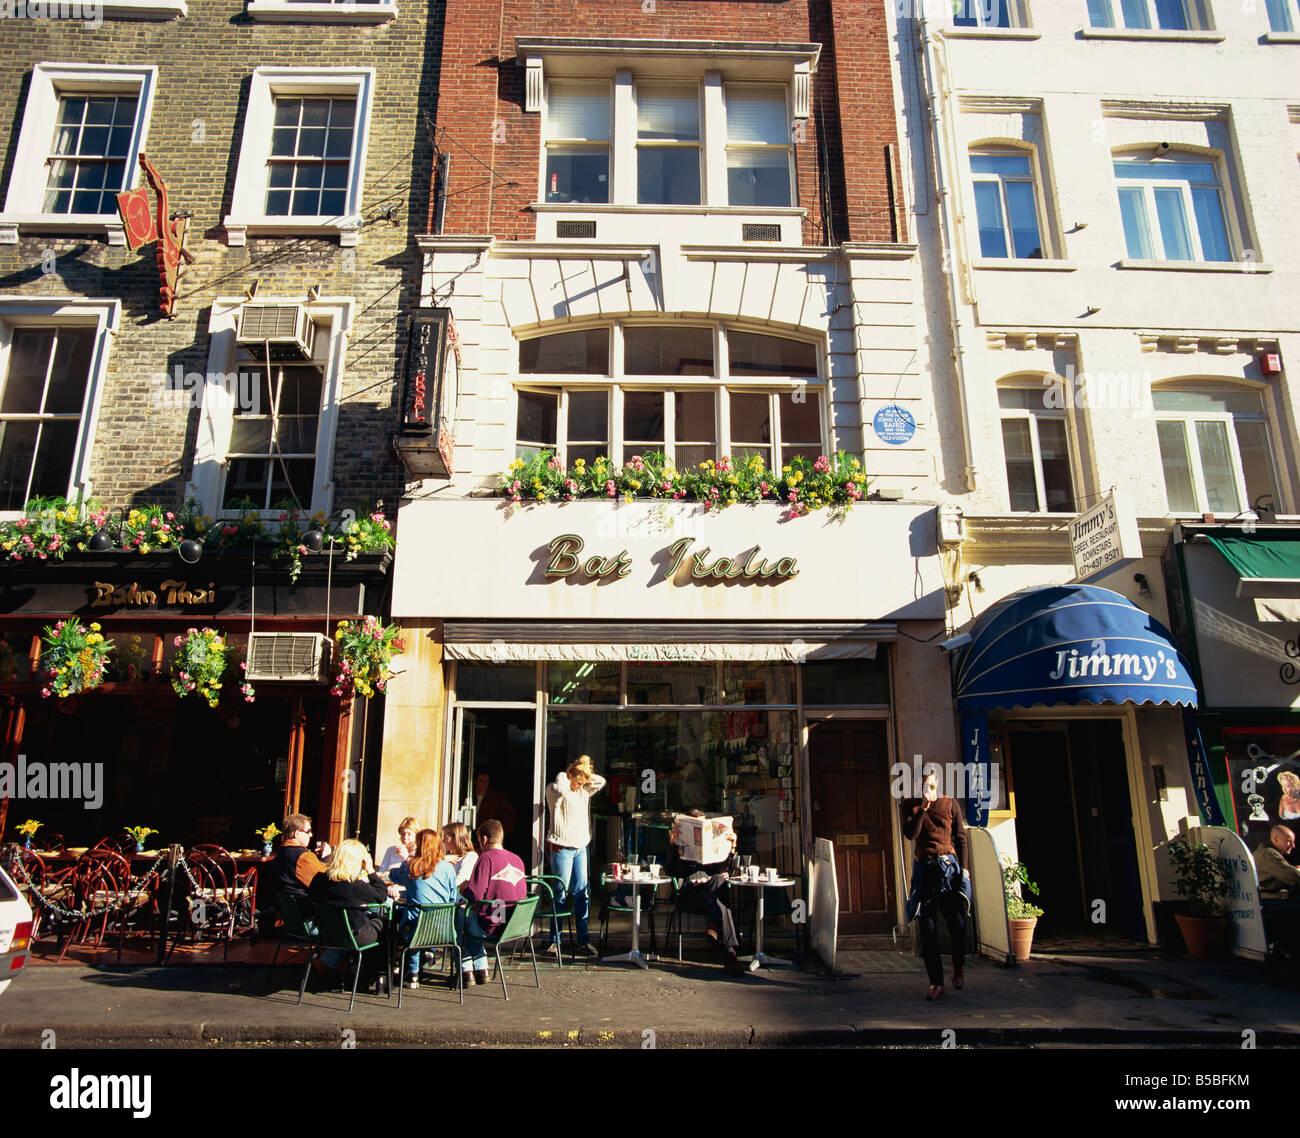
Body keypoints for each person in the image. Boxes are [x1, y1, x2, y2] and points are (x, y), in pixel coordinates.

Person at [902, 768, 970, 1000]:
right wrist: (923, 808)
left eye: (931, 786)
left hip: (948, 870)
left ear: (937, 784)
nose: (928, 791)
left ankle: (958, 964)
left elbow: (961, 838)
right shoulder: (910, 805)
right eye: (923, 786)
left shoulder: (950, 804)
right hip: (925, 869)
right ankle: (936, 983)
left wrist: (966, 871)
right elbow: (911, 834)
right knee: (927, 928)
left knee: (957, 924)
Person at [307, 839, 402, 993]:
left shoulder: (319, 880)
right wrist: (370, 870)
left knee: (361, 923)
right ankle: (380, 975)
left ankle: (330, 964)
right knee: (386, 925)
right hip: (354, 935)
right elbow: (381, 896)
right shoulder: (354, 886)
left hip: (327, 933)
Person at [666, 810, 751, 976]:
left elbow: (728, 871)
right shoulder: (678, 845)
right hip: (689, 894)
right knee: (720, 901)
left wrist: (732, 846)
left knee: (718, 880)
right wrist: (672, 844)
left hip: (710, 891)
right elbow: (670, 870)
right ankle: (730, 952)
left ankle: (722, 940)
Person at [543, 754, 607, 958]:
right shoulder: (555, 791)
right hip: (562, 847)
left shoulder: (583, 791)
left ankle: (583, 940)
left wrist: (586, 772)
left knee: (582, 892)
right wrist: (567, 776)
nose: (580, 787)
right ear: (570, 776)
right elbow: (561, 788)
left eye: (583, 783)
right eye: (578, 783)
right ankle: (554, 941)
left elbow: (600, 782)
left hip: (581, 846)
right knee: (560, 893)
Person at [459, 818, 527, 986]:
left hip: (492, 924)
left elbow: (475, 895)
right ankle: (480, 970)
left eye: (478, 840)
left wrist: (464, 888)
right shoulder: (518, 859)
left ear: (483, 839)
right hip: (513, 924)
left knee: (460, 922)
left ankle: (467, 972)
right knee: (468, 923)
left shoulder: (486, 859)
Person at [390, 828, 459, 988]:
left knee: (406, 919)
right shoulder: (447, 868)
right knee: (423, 917)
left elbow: (394, 876)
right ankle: (431, 952)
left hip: (416, 927)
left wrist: (405, 860)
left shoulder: (411, 866)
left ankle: (412, 973)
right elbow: (452, 897)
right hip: (444, 927)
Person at [1253, 824, 1300, 959]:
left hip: (1270, 896)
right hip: (1266, 899)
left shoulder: (1268, 851)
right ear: (1276, 839)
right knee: (1294, 909)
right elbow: (1291, 876)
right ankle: (1288, 950)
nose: (1293, 845)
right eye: (1289, 842)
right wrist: (1295, 872)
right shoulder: (1269, 854)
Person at [269, 813, 330, 903]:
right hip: (307, 911)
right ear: (297, 833)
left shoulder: (281, 852)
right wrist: (327, 857)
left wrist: (320, 859)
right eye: (308, 831)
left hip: (290, 912)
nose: (311, 835)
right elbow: (323, 883)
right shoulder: (303, 857)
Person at [441, 821, 478, 887]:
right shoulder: (450, 858)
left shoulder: (470, 856)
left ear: (456, 838)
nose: (443, 841)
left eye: (446, 837)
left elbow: (460, 880)